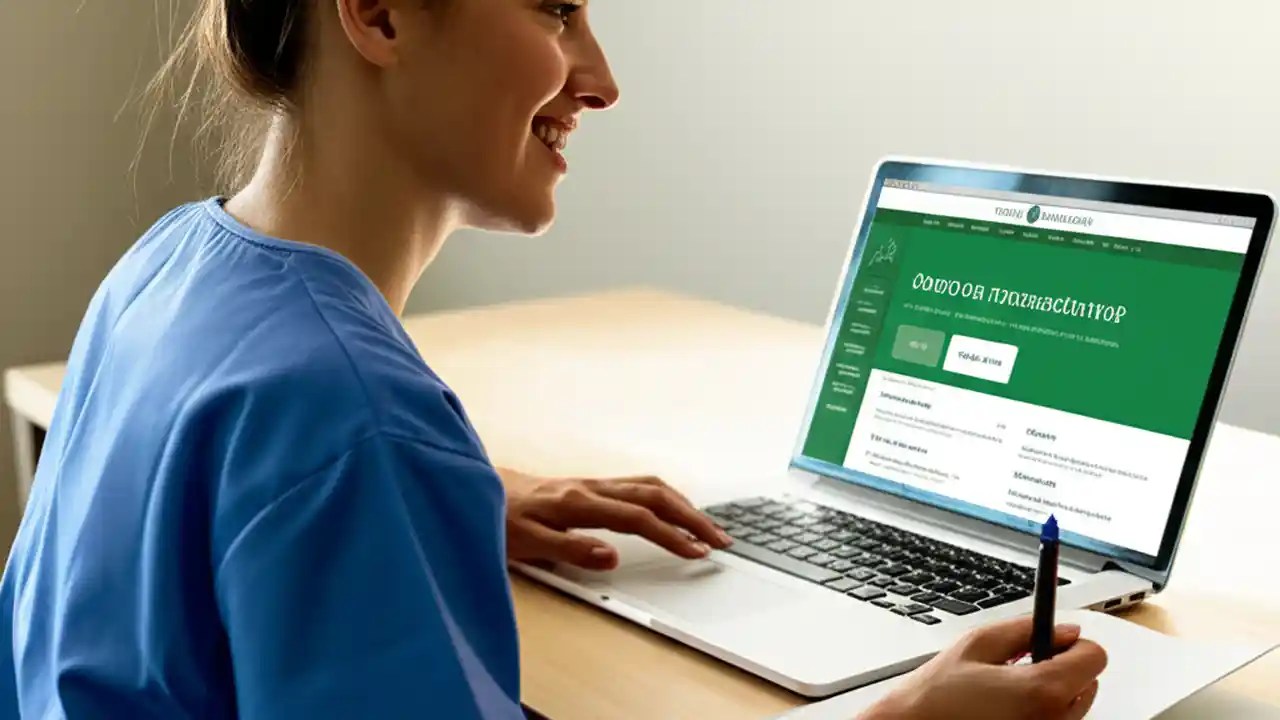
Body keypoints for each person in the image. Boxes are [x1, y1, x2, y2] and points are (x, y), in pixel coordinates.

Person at [0, 0, 1107, 717]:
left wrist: (452, 502)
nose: (601, 78)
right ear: (379, 15)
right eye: (556, 11)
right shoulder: (352, 415)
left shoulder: (167, 266)